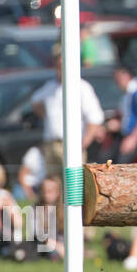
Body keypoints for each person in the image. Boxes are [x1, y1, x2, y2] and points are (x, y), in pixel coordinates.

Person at [30, 46, 106, 178]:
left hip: (72, 146)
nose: (60, 69)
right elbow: (35, 102)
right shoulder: (50, 86)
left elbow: (95, 118)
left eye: (62, 65)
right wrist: (46, 118)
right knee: (53, 187)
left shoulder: (82, 87)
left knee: (73, 188)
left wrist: (83, 143)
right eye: (58, 65)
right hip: (51, 144)